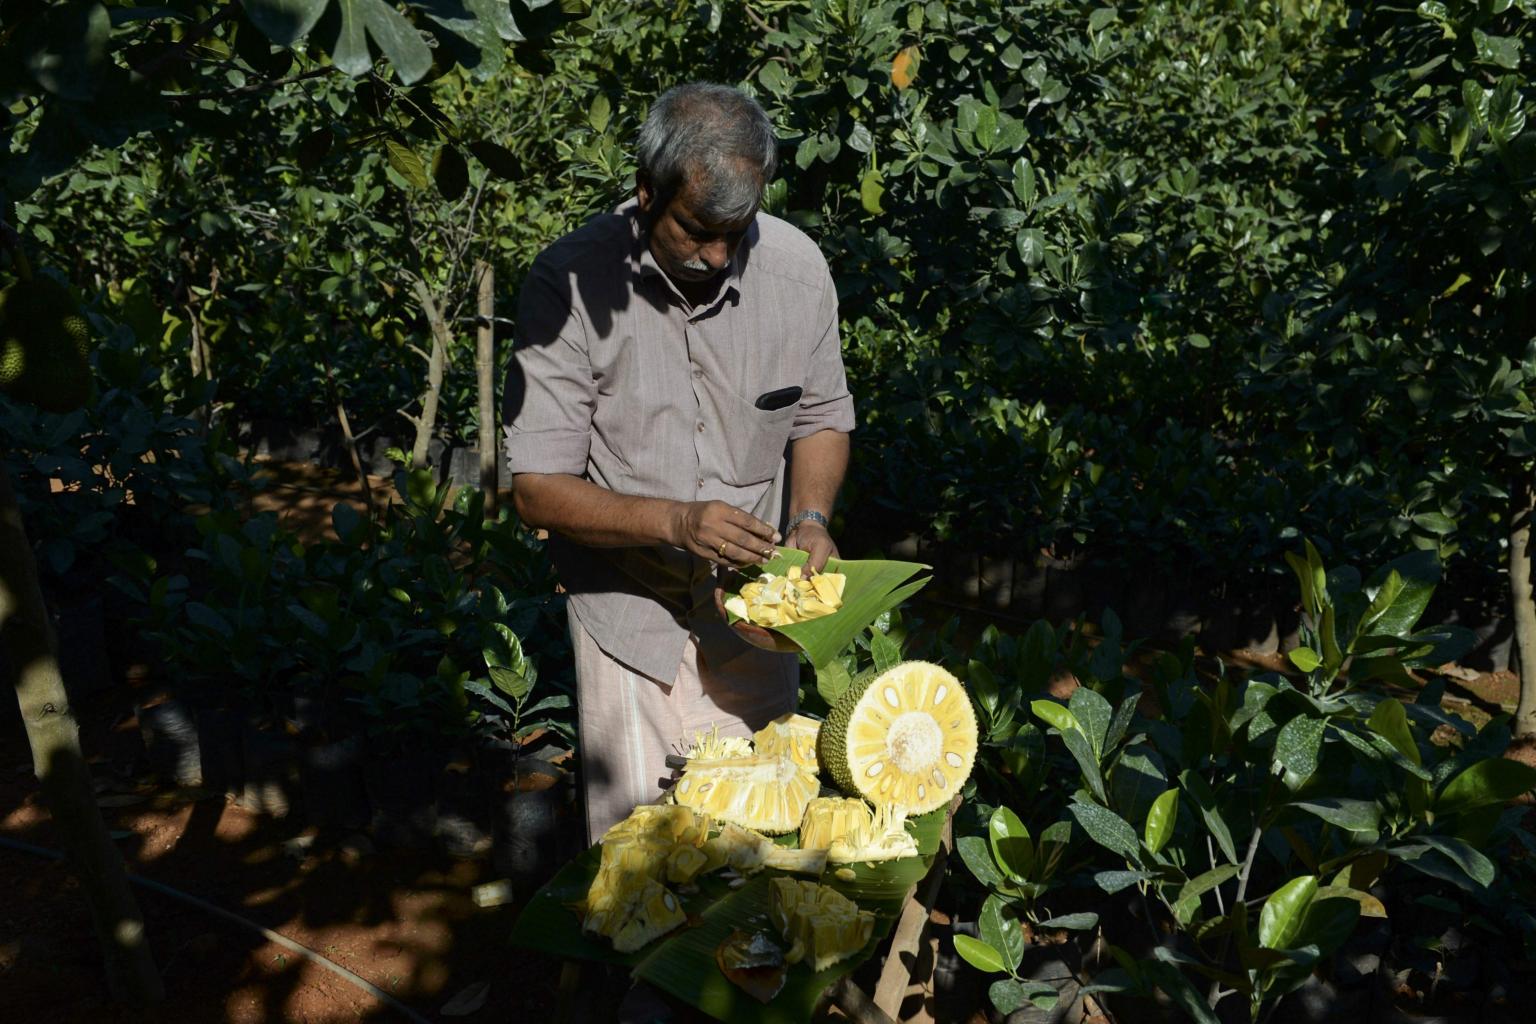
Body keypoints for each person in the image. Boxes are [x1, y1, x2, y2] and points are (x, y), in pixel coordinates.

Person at [503, 82, 855, 844]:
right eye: (698, 229)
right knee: (643, 857)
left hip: (756, 624)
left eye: (739, 229)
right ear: (645, 192)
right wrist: (674, 521)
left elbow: (823, 416)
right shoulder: (568, 286)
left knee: (757, 845)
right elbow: (535, 489)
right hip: (629, 618)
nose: (720, 253)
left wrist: (810, 517)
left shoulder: (797, 274)